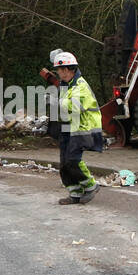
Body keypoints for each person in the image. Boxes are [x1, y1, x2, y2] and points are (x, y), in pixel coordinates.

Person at [45, 51, 103, 204]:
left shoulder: (80, 85)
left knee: (73, 160)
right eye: (59, 70)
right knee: (64, 164)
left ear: (71, 69)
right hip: (69, 127)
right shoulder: (65, 85)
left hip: (82, 127)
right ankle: (75, 193)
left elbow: (75, 105)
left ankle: (90, 185)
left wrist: (56, 102)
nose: (60, 73)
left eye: (63, 70)